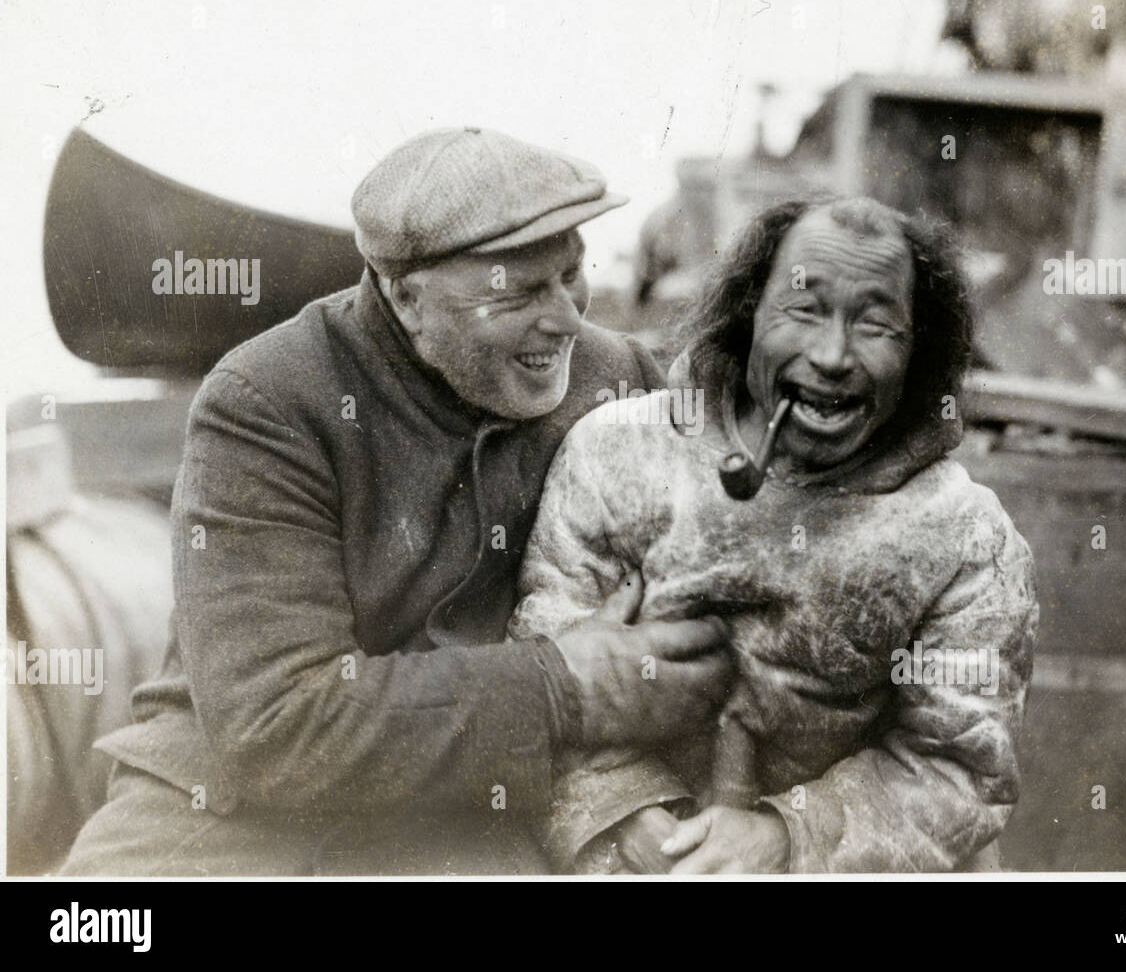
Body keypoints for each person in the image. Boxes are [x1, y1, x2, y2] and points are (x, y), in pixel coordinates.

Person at [60, 127, 731, 876]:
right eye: (521, 291)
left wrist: (624, 797)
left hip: (485, 808)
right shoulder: (267, 403)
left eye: (571, 273)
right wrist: (560, 686)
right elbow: (278, 728)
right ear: (406, 298)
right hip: (229, 812)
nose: (569, 317)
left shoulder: (622, 380)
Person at [509, 196, 1039, 873]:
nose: (833, 355)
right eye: (804, 310)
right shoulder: (618, 454)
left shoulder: (965, 537)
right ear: (749, 315)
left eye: (876, 324)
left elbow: (960, 771)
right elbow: (543, 665)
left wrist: (788, 839)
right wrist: (621, 810)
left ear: (918, 352)